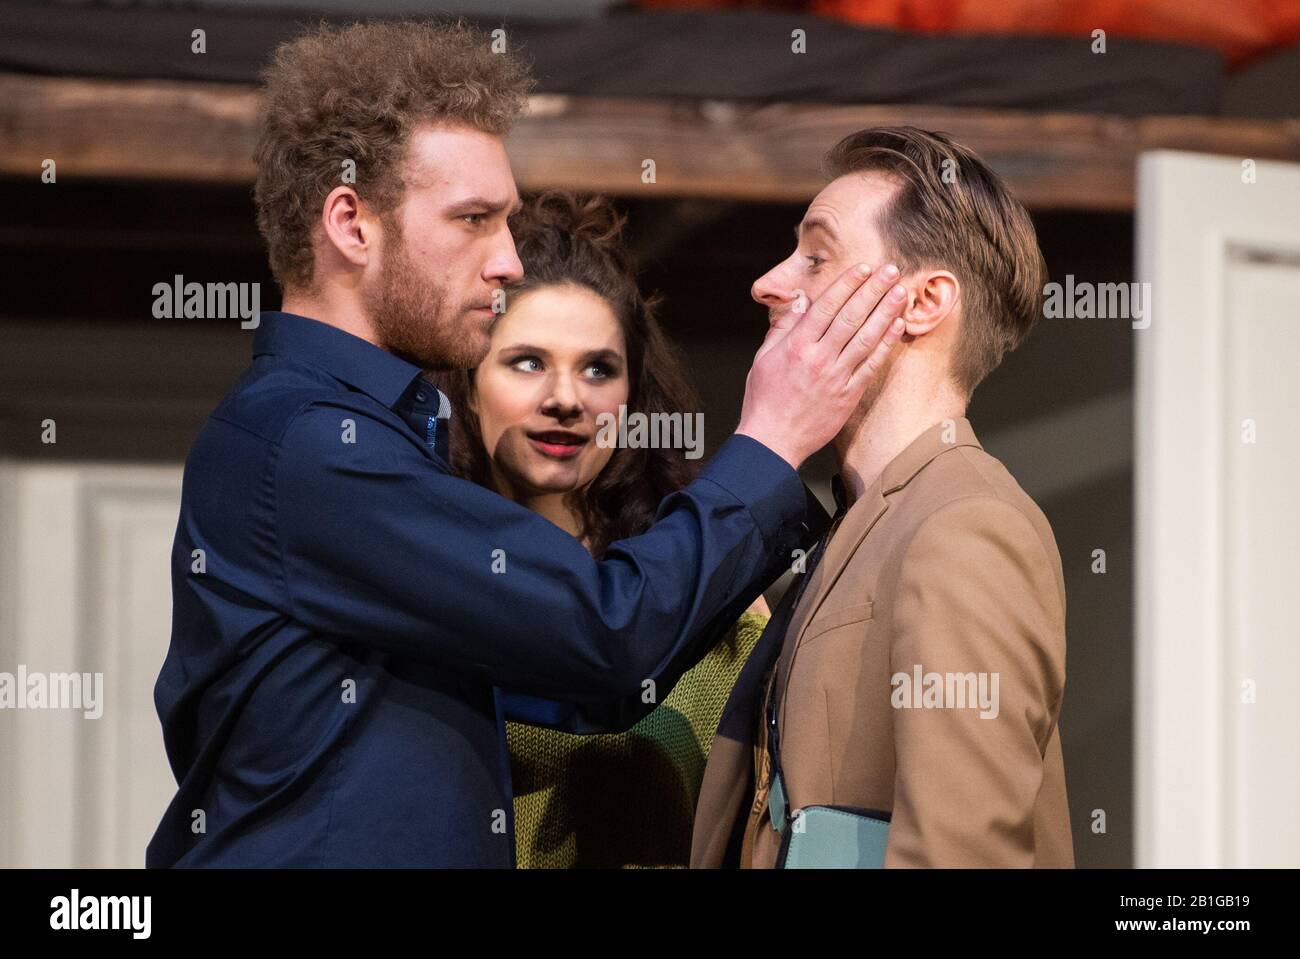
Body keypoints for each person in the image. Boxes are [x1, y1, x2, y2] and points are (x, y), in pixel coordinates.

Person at [146, 20, 906, 867]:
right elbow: (603, 632)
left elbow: (576, 685)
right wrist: (772, 436)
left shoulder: (356, 436)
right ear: (352, 224)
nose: (508, 260)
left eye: (506, 221)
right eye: (473, 219)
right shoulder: (312, 445)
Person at [691, 126, 1075, 868]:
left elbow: (963, 855)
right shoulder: (858, 520)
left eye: (815, 255)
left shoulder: (966, 526)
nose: (768, 282)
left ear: (924, 302)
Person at [438, 190, 770, 868]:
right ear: (469, 385)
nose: (566, 397)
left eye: (598, 368)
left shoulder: (709, 599)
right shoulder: (422, 578)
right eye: (526, 360)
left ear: (633, 397)